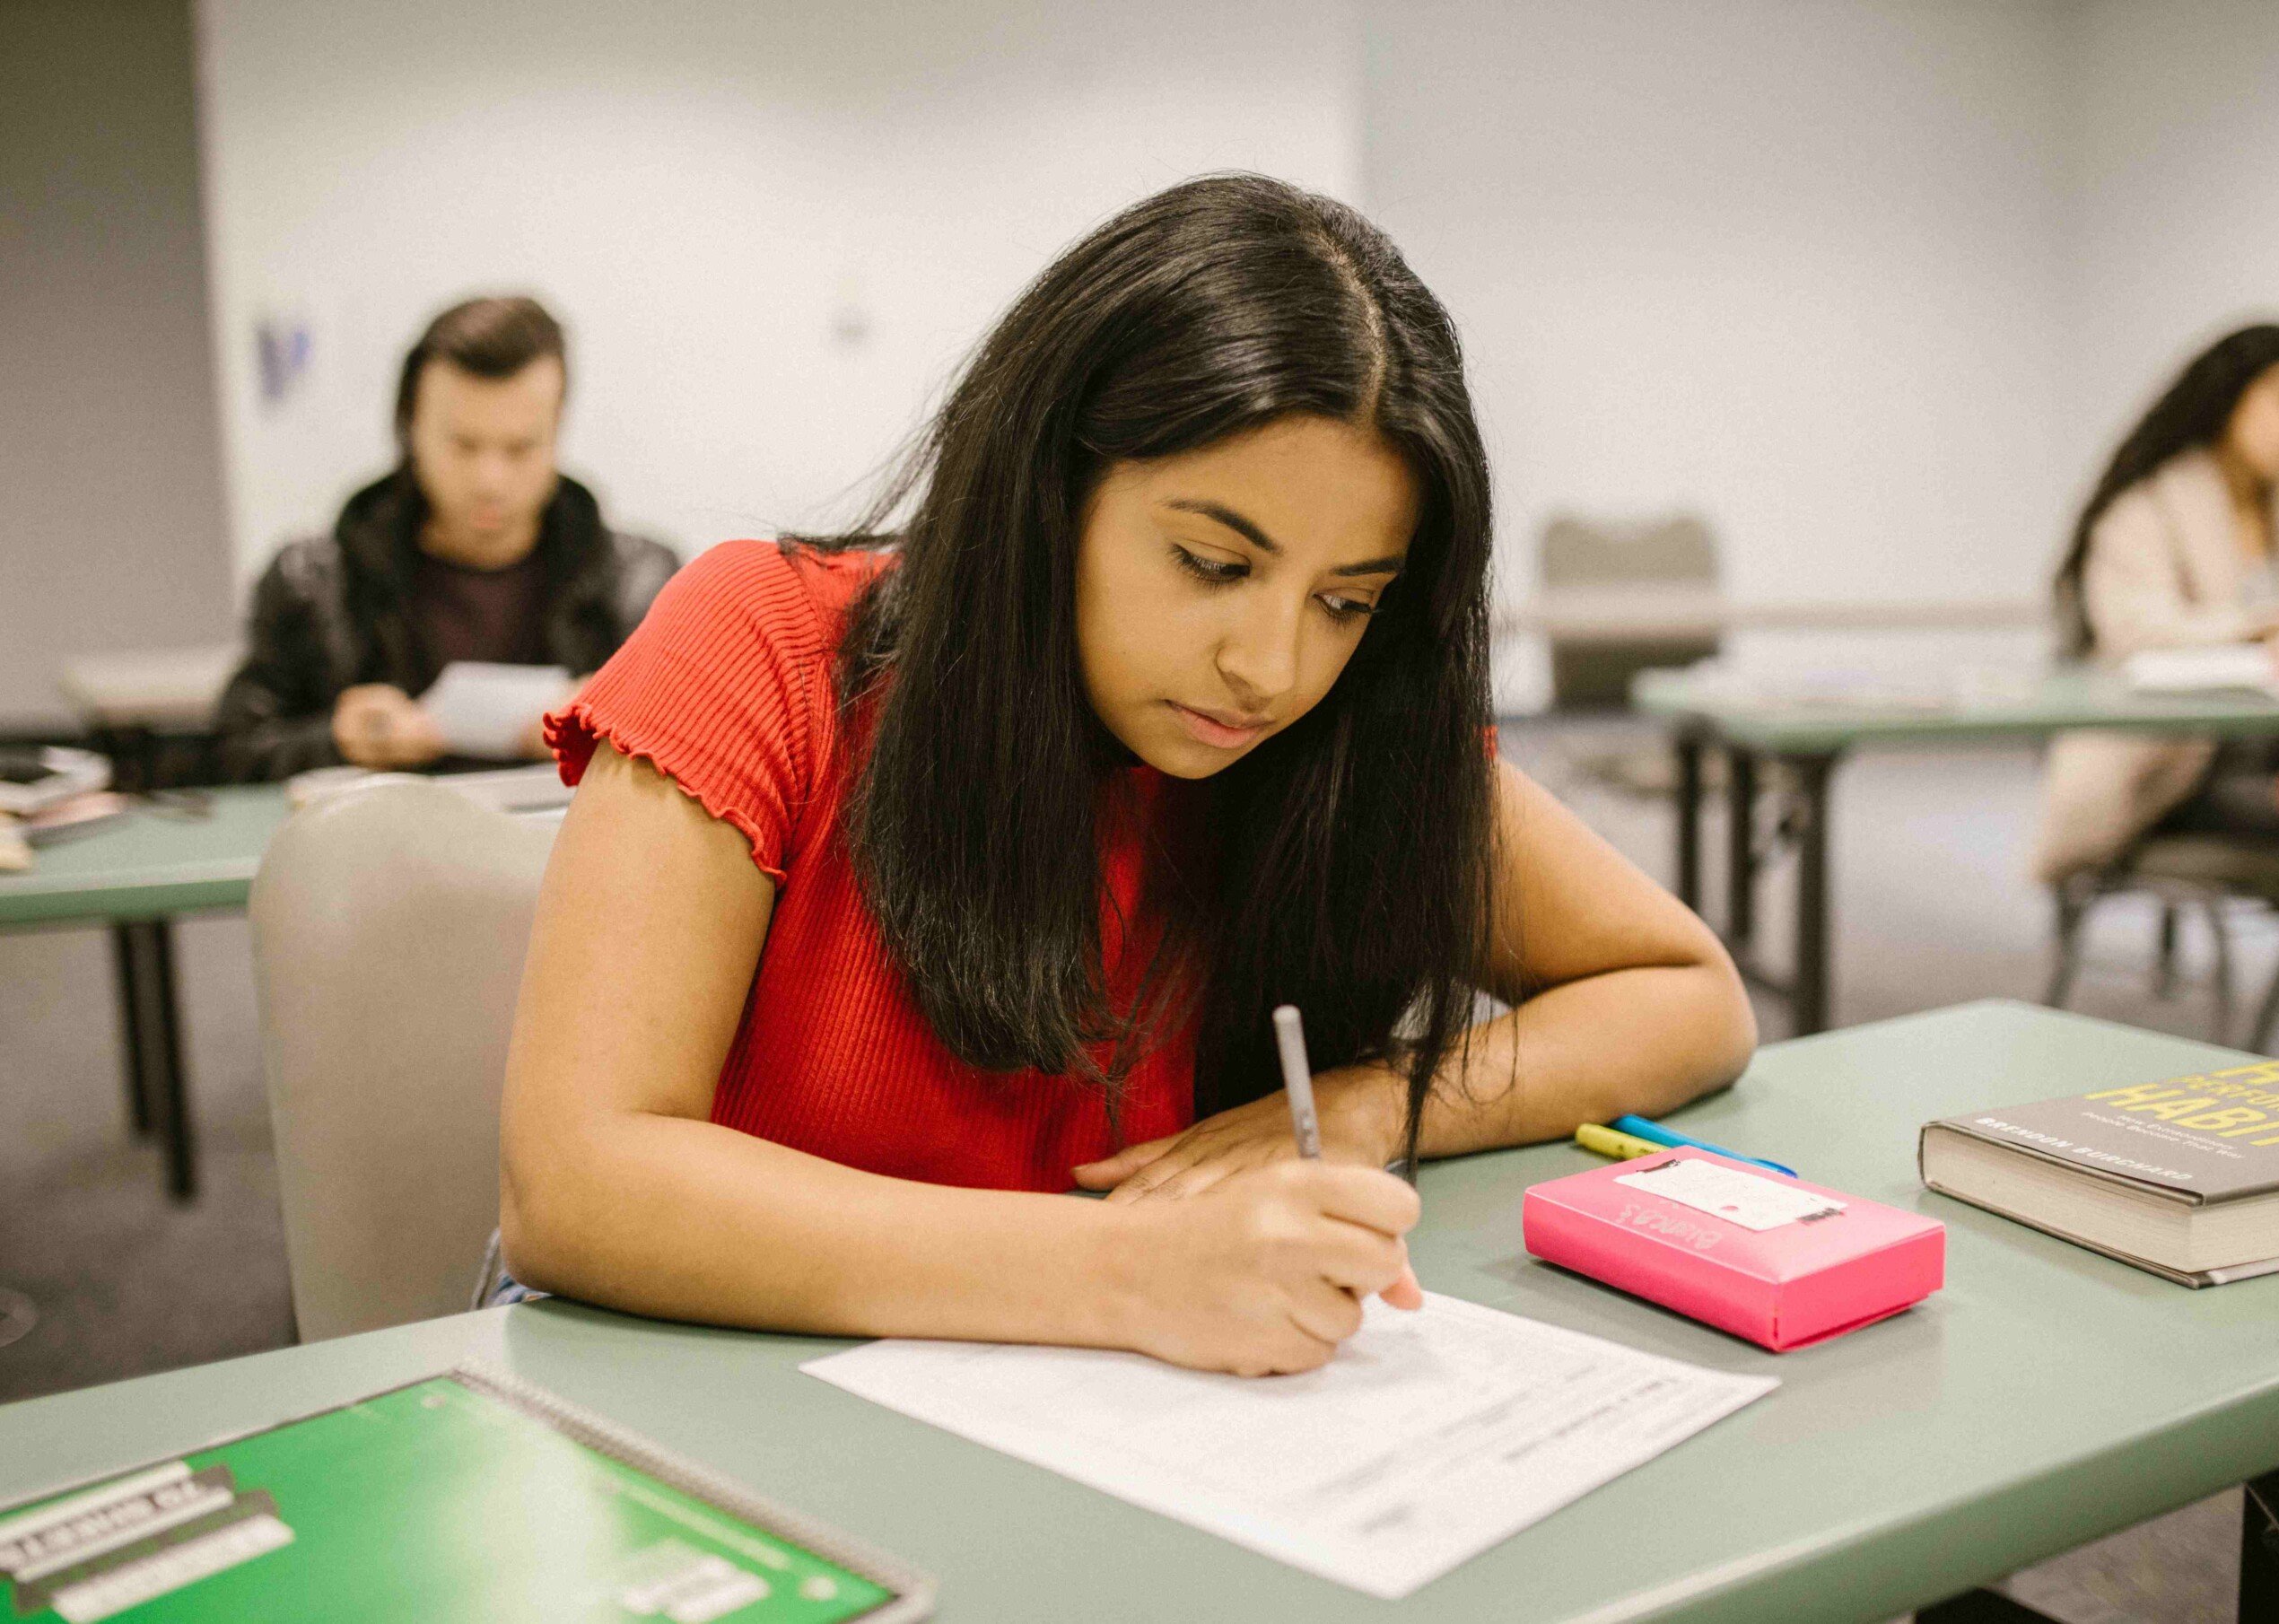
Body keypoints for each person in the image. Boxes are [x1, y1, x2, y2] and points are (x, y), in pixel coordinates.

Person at [497, 176, 1756, 1378]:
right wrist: (1127, 1270)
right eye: (1213, 564)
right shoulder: (765, 642)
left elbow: (1685, 995)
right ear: (1050, 487)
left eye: (1346, 599)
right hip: (719, 1404)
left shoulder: (1349, 732)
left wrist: (1374, 1106)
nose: (1270, 668)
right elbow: (577, 1184)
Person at [214, 296, 678, 781]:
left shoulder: (640, 582)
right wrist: (335, 742)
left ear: (558, 430)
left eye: (521, 447)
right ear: (410, 427)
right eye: (463, 444)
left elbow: (706, 762)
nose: (490, 480)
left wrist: (611, 731)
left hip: (575, 853)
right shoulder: (312, 581)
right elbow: (228, 758)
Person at [2036, 323, 2279, 881]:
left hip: (2275, 754)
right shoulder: (2146, 507)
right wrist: (2258, 626)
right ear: (2230, 398)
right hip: (2174, 772)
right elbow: (2135, 633)